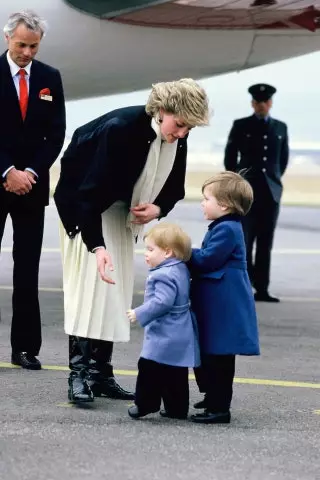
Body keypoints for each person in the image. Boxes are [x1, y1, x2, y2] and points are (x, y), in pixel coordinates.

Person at [54, 78, 209, 403]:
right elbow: (87, 194)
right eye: (179, 124)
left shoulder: (175, 135)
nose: (181, 133)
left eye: (188, 129)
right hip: (84, 208)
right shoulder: (120, 129)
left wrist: (157, 207)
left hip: (120, 210)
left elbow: (174, 186)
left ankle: (101, 374)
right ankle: (78, 377)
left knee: (116, 289)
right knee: (89, 288)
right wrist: (96, 246)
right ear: (163, 110)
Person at [0, 11, 66, 370]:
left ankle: (24, 347)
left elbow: (56, 134)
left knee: (27, 270)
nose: (27, 52)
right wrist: (7, 171)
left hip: (32, 187)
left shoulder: (49, 78)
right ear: (8, 38)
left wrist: (30, 173)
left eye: (34, 46)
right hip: (1, 179)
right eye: (22, 44)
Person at [188, 172, 260, 424]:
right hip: (218, 303)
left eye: (206, 198)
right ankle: (212, 399)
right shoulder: (224, 226)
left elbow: (207, 260)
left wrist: (184, 252)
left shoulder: (227, 229)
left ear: (225, 205)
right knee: (212, 355)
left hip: (224, 305)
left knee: (219, 358)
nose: (202, 203)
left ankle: (220, 408)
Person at [126, 223, 200, 420]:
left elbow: (162, 302)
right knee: (175, 370)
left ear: (167, 252)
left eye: (150, 249)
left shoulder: (162, 275)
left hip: (165, 330)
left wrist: (139, 313)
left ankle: (145, 404)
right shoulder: (180, 268)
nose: (146, 254)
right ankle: (177, 408)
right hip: (181, 327)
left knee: (149, 366)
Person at [224, 84, 289, 302]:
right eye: (258, 102)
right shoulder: (241, 125)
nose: (261, 105)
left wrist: (275, 181)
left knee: (265, 243)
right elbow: (230, 157)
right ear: (253, 104)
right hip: (246, 194)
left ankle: (262, 289)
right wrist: (235, 184)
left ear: (270, 103)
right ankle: (244, 286)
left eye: (265, 102)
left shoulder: (281, 128)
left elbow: (282, 160)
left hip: (271, 194)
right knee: (244, 241)